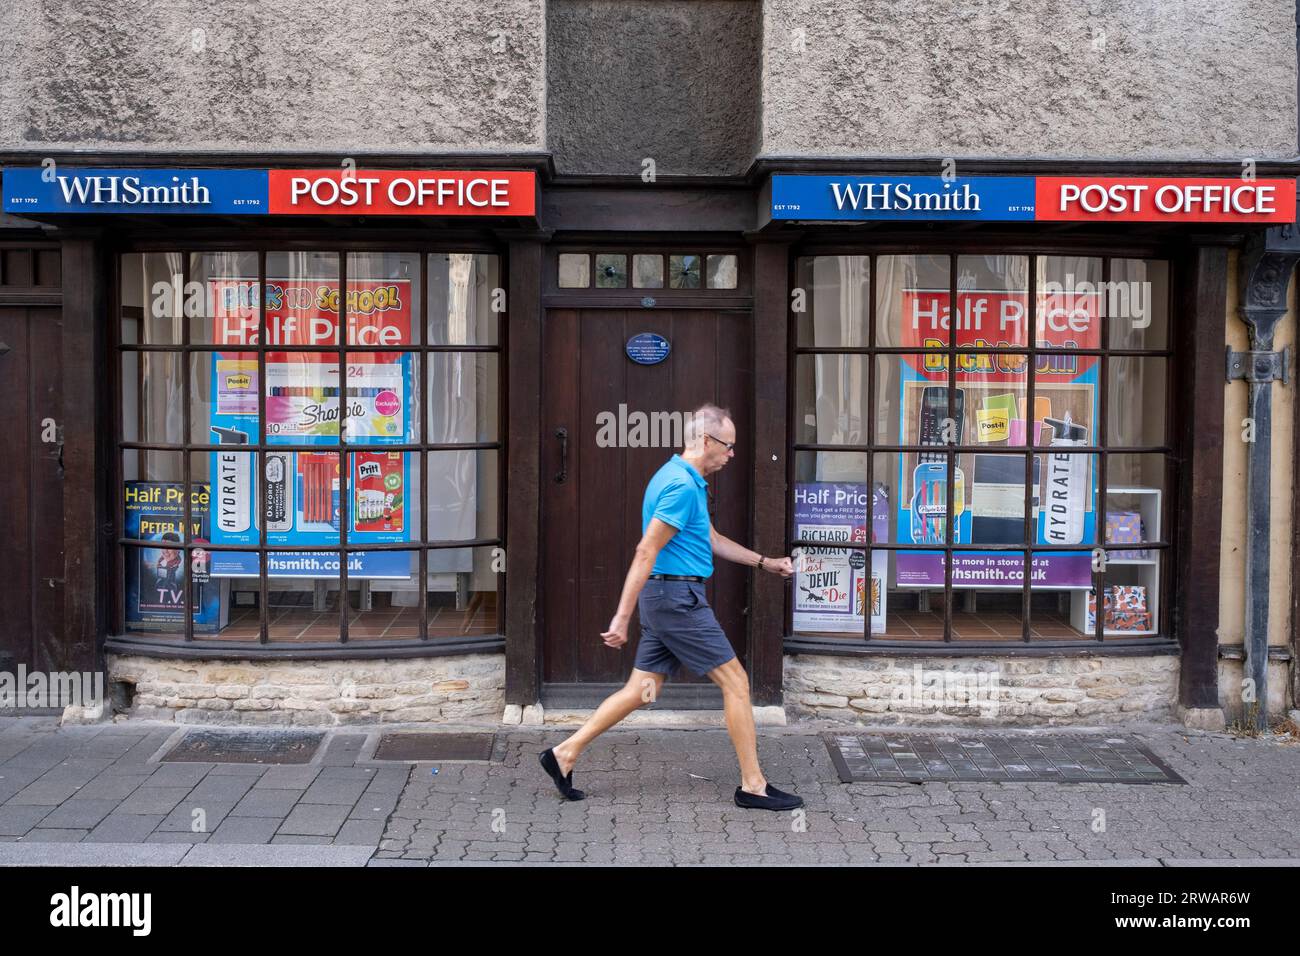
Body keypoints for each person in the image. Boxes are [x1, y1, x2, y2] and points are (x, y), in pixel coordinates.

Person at [540, 403, 804, 811]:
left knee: (642, 690)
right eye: (728, 446)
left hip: (667, 600)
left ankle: (564, 753)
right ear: (704, 440)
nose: (732, 455)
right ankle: (753, 786)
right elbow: (646, 550)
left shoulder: (682, 479)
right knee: (736, 683)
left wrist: (766, 563)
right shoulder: (681, 486)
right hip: (678, 601)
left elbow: (712, 539)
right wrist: (621, 617)